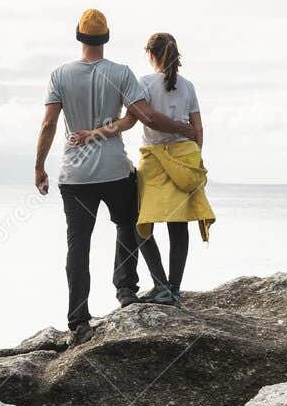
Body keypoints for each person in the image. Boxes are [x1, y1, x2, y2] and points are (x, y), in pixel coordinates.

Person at [34, 10, 197, 345]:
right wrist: (185, 129)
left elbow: (49, 125)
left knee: (78, 245)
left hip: (74, 174)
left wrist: (39, 167)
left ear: (79, 37)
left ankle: (78, 321)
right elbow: (145, 116)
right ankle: (125, 290)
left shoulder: (59, 75)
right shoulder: (121, 73)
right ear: (105, 38)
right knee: (129, 224)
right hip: (115, 169)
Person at [78, 32, 215, 308]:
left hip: (153, 160)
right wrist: (195, 158)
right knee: (178, 226)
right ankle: (174, 290)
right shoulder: (188, 86)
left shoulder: (144, 83)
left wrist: (95, 133)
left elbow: (131, 120)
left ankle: (161, 285)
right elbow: (198, 128)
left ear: (151, 54)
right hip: (183, 158)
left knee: (142, 224)